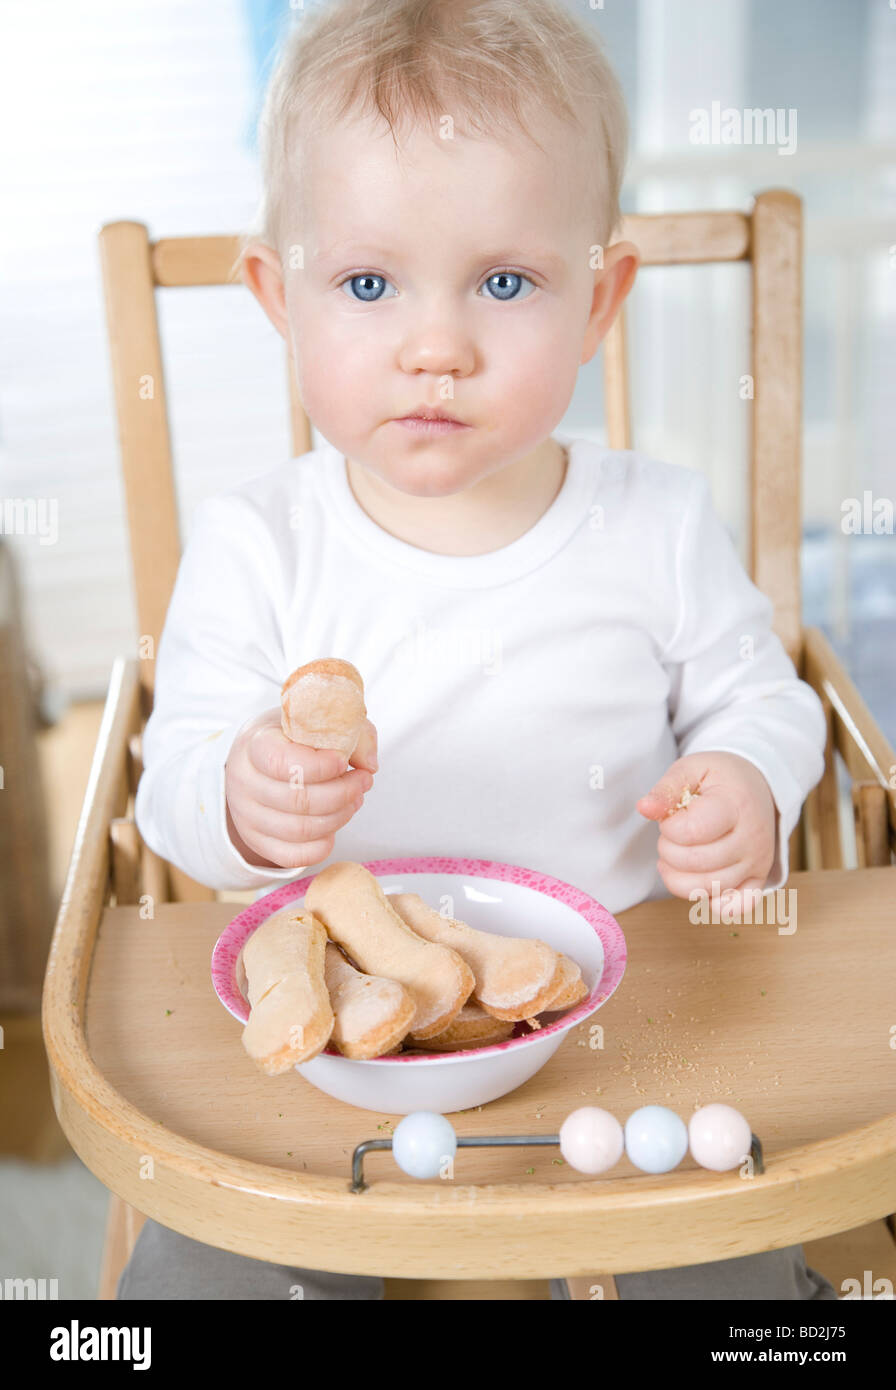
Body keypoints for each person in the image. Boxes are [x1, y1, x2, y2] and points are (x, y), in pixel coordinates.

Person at [123, 0, 836, 1302]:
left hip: (636, 1027)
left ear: (600, 298)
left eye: (504, 282)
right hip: (341, 1044)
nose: (435, 344)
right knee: (199, 1276)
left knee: (738, 1274)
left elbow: (768, 697)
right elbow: (170, 784)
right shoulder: (258, 544)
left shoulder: (657, 524)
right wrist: (238, 792)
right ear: (280, 301)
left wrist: (747, 775)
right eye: (366, 282)